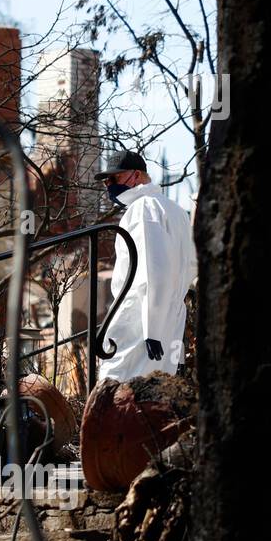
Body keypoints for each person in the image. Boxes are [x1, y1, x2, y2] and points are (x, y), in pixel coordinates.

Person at [94, 151, 198, 382]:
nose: (109, 185)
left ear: (137, 175)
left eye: (114, 178)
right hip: (169, 315)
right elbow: (191, 266)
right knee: (155, 391)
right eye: (106, 181)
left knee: (115, 387)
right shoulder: (177, 211)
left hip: (139, 316)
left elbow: (152, 270)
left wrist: (151, 327)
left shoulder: (143, 209)